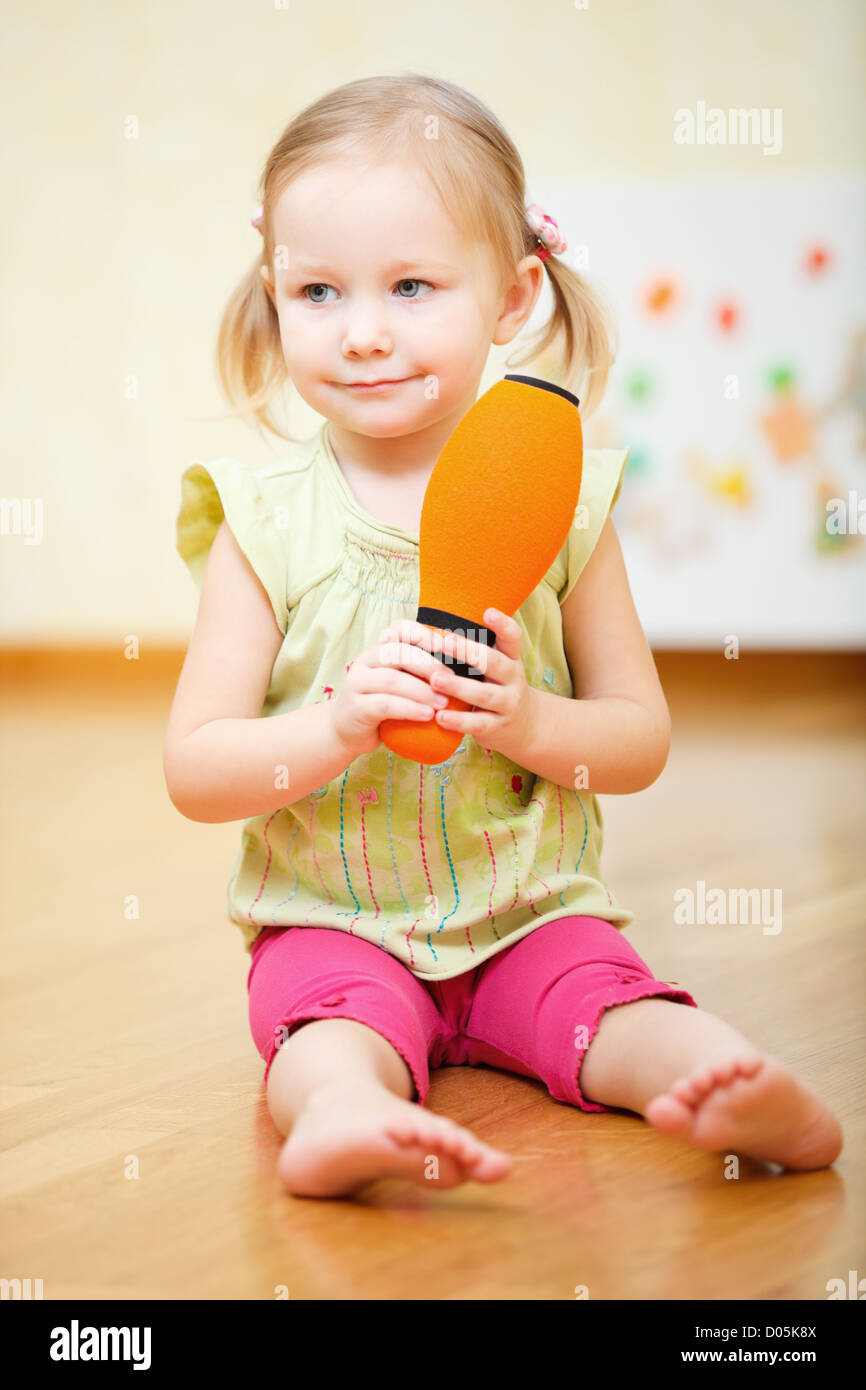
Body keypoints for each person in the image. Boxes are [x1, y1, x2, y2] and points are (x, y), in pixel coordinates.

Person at [164, 73, 843, 1198]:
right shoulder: (262, 523)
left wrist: (525, 718)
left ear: (512, 295)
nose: (365, 332)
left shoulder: (566, 509)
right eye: (319, 292)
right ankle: (341, 1113)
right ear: (272, 294)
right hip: (332, 926)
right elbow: (197, 770)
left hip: (530, 916)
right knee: (327, 1029)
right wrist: (335, 727)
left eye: (412, 285)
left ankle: (723, 1078)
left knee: (611, 1004)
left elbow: (634, 742)